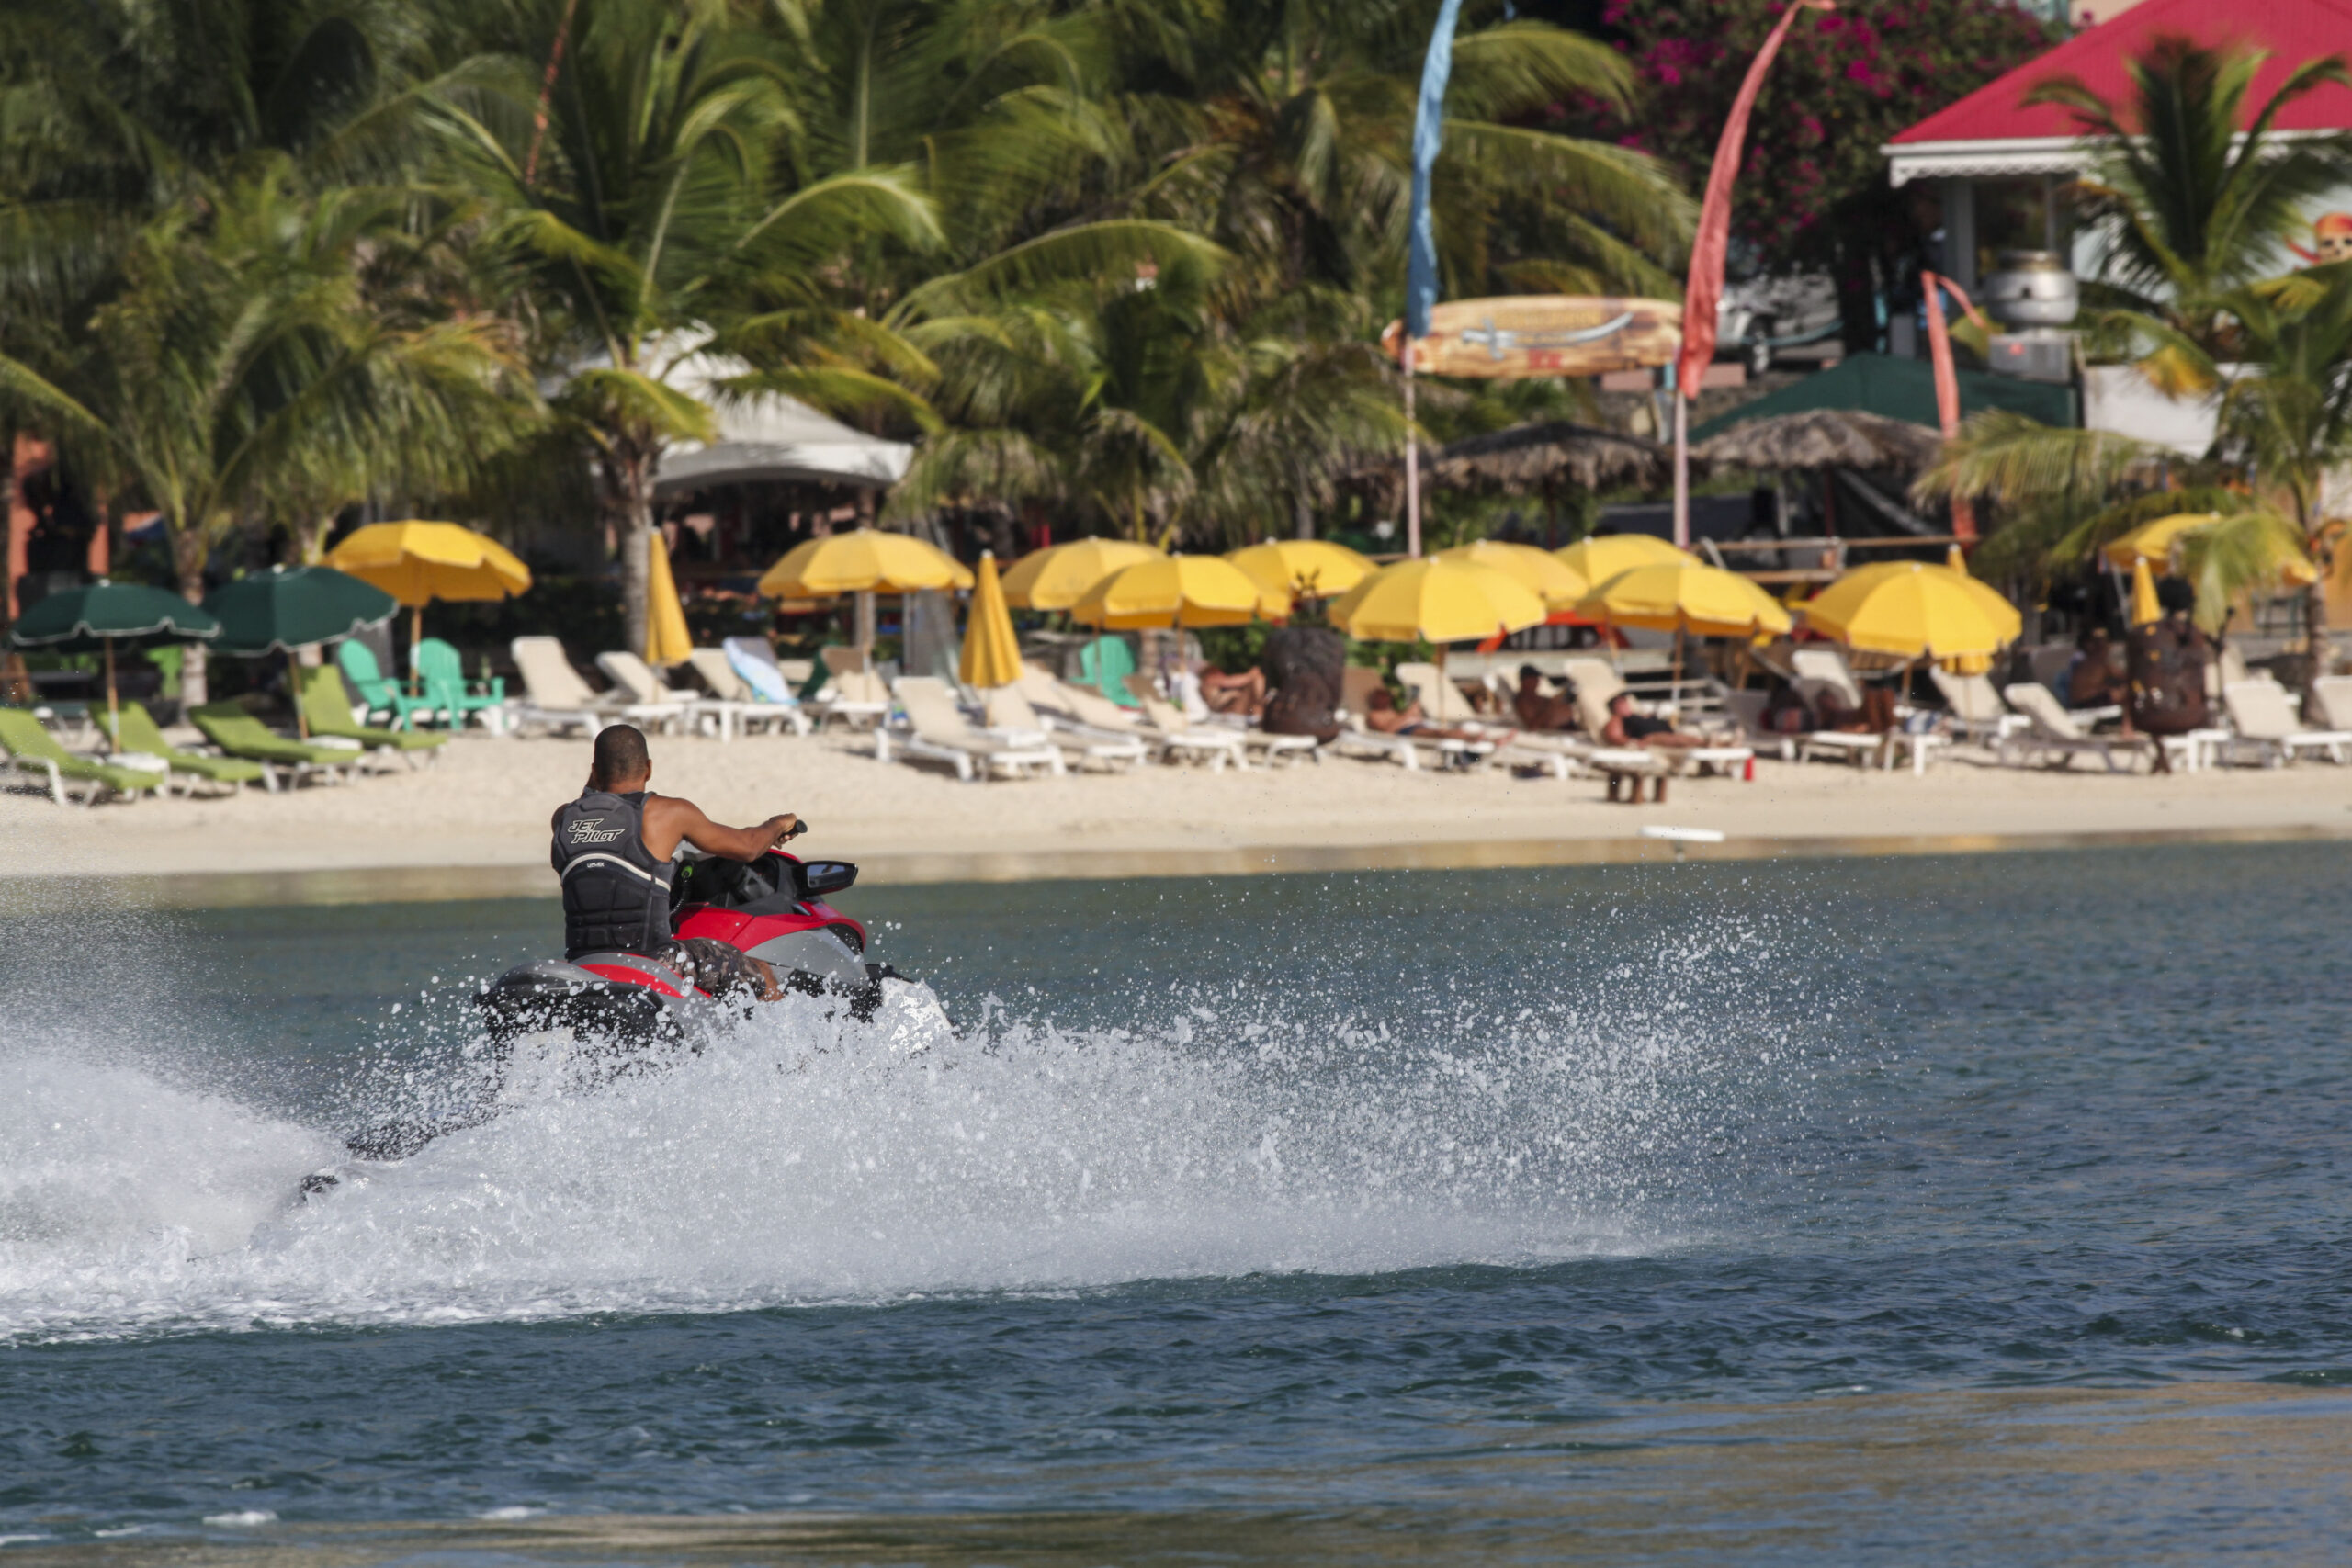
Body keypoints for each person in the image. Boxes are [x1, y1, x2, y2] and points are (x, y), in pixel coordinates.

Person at [550, 724, 800, 998]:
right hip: (654, 961)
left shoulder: (564, 818)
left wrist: (598, 773)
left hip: (582, 963)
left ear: (595, 770)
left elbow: (590, 800)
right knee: (757, 969)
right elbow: (748, 847)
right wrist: (777, 824)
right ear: (648, 769)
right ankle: (776, 1039)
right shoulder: (669, 813)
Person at [2126, 580, 2212, 773]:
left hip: (2146, 716)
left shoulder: (2141, 634)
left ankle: (2161, 753)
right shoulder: (2195, 635)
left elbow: (2132, 677)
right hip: (2193, 714)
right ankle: (2162, 755)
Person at [1362, 686, 1497, 744]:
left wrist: (1411, 715)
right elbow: (1388, 731)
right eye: (1381, 697)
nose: (1386, 698)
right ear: (1373, 700)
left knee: (1444, 730)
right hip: (1405, 731)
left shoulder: (1391, 711)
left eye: (1386, 696)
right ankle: (1472, 738)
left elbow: (1399, 720)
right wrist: (1407, 716)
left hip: (1414, 726)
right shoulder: (1373, 715)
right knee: (1440, 733)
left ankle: (1487, 740)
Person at [1600, 690, 1706, 750]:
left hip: (1667, 734)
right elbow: (1613, 736)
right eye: (1621, 702)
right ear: (1614, 707)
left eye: (1625, 701)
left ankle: (1710, 744)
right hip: (1651, 738)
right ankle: (1704, 744)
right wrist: (1633, 743)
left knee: (1687, 738)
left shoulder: (1638, 715)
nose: (1626, 704)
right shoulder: (1616, 719)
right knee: (1684, 740)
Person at [2066, 626, 2127, 709]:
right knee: (2125, 692)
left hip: (2079, 703)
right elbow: (2126, 676)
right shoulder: (2098, 663)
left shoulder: (2085, 664)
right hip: (2086, 703)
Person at [1513, 665, 1581, 732]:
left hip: (1569, 724)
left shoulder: (1533, 696)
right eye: (1535, 678)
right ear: (1526, 680)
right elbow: (1532, 726)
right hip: (1560, 730)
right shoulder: (1523, 701)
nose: (1538, 682)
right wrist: (1550, 707)